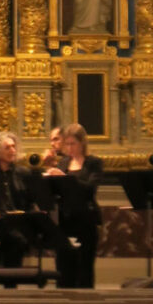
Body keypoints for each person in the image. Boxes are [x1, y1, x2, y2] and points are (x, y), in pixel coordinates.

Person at [46, 122, 103, 288]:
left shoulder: (93, 163)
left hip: (86, 219)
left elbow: (89, 189)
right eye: (67, 144)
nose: (69, 148)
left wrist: (65, 178)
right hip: (65, 220)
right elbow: (56, 192)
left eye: (73, 144)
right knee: (64, 266)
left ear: (82, 143)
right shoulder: (63, 163)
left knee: (84, 266)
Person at [0, 131, 30, 269]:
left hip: (16, 228)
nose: (13, 150)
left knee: (13, 271)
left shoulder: (21, 173)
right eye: (7, 147)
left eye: (13, 146)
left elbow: (27, 199)